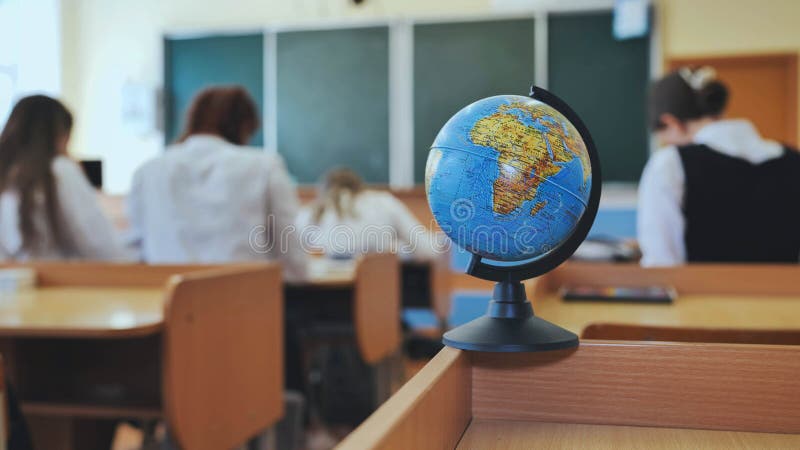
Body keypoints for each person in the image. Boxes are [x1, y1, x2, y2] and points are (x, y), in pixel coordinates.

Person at [127, 86, 307, 280]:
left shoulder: (147, 171)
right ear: (244, 127)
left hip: (165, 300)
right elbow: (290, 247)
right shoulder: (264, 166)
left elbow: (136, 249)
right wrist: (302, 278)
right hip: (245, 300)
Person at [637, 67, 800, 266]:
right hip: (786, 296)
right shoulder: (793, 159)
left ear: (671, 122)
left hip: (702, 296)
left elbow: (661, 264)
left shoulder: (669, 164)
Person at [0, 95, 125, 261]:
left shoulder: (7, 172)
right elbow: (101, 244)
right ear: (61, 135)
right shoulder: (59, 170)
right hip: (55, 280)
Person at [297, 168, 438, 260]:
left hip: (322, 294)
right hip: (376, 293)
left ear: (323, 192)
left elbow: (290, 256)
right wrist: (400, 250)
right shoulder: (383, 202)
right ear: (360, 187)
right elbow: (428, 250)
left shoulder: (308, 213)